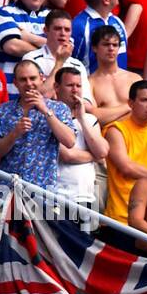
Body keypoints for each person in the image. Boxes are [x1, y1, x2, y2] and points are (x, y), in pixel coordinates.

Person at [0, 57, 76, 188]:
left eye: (32, 78)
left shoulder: (59, 108)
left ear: (42, 78)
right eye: (23, 79)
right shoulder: (2, 111)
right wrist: (14, 134)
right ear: (15, 83)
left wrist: (45, 110)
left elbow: (70, 141)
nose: (29, 83)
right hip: (6, 188)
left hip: (42, 190)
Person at [104, 79, 147, 223]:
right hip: (122, 216)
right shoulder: (116, 130)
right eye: (144, 100)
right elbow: (127, 167)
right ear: (131, 103)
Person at [52, 66, 107, 224]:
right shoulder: (50, 116)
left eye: (78, 85)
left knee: (86, 246)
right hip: (57, 196)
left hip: (87, 196)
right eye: (70, 85)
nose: (75, 90)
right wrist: (93, 156)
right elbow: (67, 155)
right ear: (57, 87)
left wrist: (82, 118)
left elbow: (102, 152)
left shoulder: (89, 120)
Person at [0, 0, 49, 95]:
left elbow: (65, 49)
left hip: (43, 97)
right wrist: (49, 52)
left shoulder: (52, 17)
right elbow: (12, 46)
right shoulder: (5, 13)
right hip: (10, 95)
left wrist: (29, 37)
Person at [88, 26, 139, 125]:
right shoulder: (90, 83)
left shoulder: (134, 78)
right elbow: (93, 117)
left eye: (115, 45)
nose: (111, 48)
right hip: (108, 136)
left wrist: (108, 113)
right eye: (106, 44)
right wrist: (129, 106)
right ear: (94, 48)